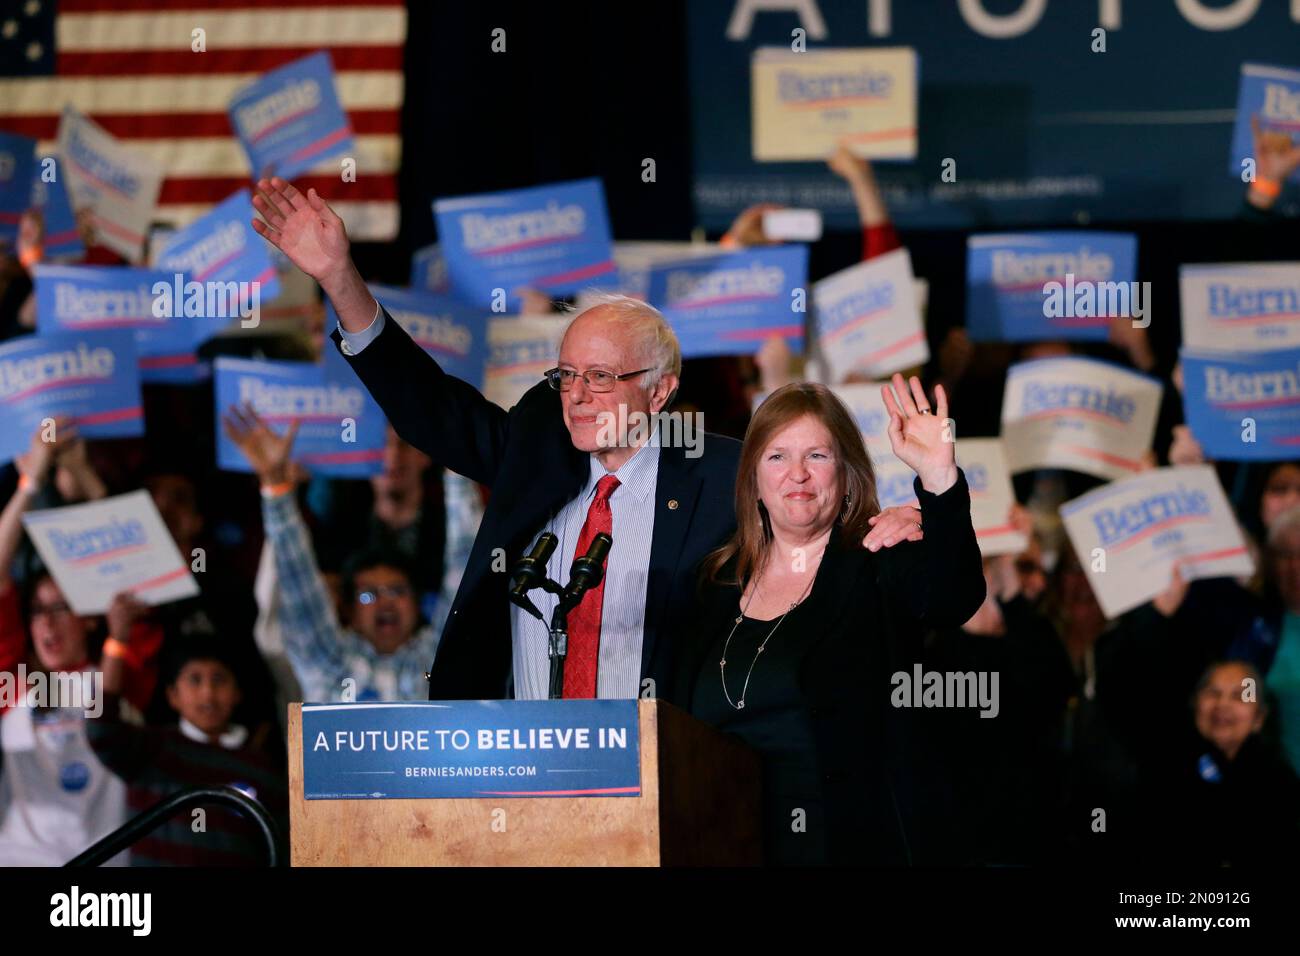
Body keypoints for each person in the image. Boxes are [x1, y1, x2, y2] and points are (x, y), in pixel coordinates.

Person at [248, 178, 925, 702]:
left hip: (666, 775)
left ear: (659, 392)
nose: (575, 394)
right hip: (520, 767)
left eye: (600, 377)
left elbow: (808, 517)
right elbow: (430, 410)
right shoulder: (537, 446)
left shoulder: (721, 475)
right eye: (566, 374)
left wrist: (886, 525)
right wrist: (340, 278)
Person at [676, 375, 986, 865]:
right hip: (730, 847)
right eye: (777, 456)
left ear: (847, 473)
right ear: (753, 476)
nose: (797, 474)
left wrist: (938, 480)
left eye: (817, 456)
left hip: (851, 850)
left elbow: (953, 597)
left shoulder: (879, 558)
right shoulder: (712, 586)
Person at [223, 404, 441, 702]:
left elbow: (463, 560)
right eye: (368, 595)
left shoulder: (440, 660)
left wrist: (459, 463)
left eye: (397, 591)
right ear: (346, 609)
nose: (385, 603)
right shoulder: (327, 662)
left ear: (419, 605)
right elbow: (299, 583)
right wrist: (276, 485)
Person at [86, 635, 288, 866]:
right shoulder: (152, 748)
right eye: (194, 680)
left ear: (237, 693)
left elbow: (284, 847)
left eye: (219, 679)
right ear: (173, 696)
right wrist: (118, 639)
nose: (208, 693)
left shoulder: (262, 767)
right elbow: (99, 729)